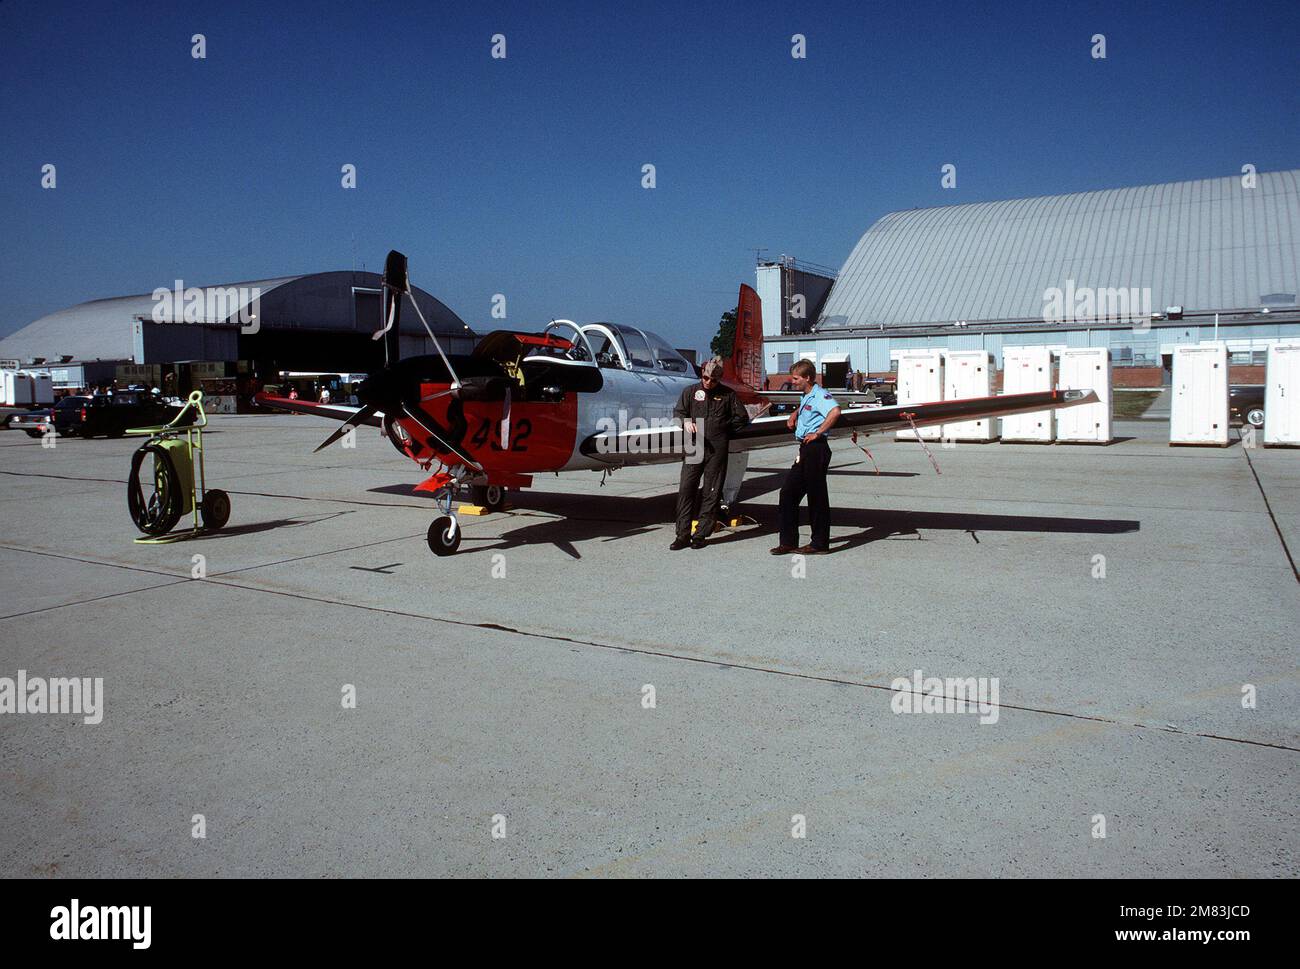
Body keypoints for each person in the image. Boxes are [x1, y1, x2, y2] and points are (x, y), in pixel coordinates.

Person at [671, 357, 748, 550]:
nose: (708, 382)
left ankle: (701, 535)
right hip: (694, 447)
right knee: (686, 490)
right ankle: (682, 535)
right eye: (705, 378)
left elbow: (742, 418)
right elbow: (678, 413)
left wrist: (723, 429)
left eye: (713, 380)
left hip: (716, 449)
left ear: (719, 379)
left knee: (711, 492)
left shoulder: (728, 395)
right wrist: (685, 422)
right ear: (702, 374)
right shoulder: (690, 392)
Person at [771, 359, 841, 555]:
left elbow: (835, 411)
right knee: (788, 494)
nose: (792, 381)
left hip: (816, 449)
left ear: (807, 378)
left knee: (816, 497)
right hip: (805, 449)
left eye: (796, 378)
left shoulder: (820, 395)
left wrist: (818, 432)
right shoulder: (807, 396)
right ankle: (788, 541)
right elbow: (810, 409)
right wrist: (794, 414)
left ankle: (819, 543)